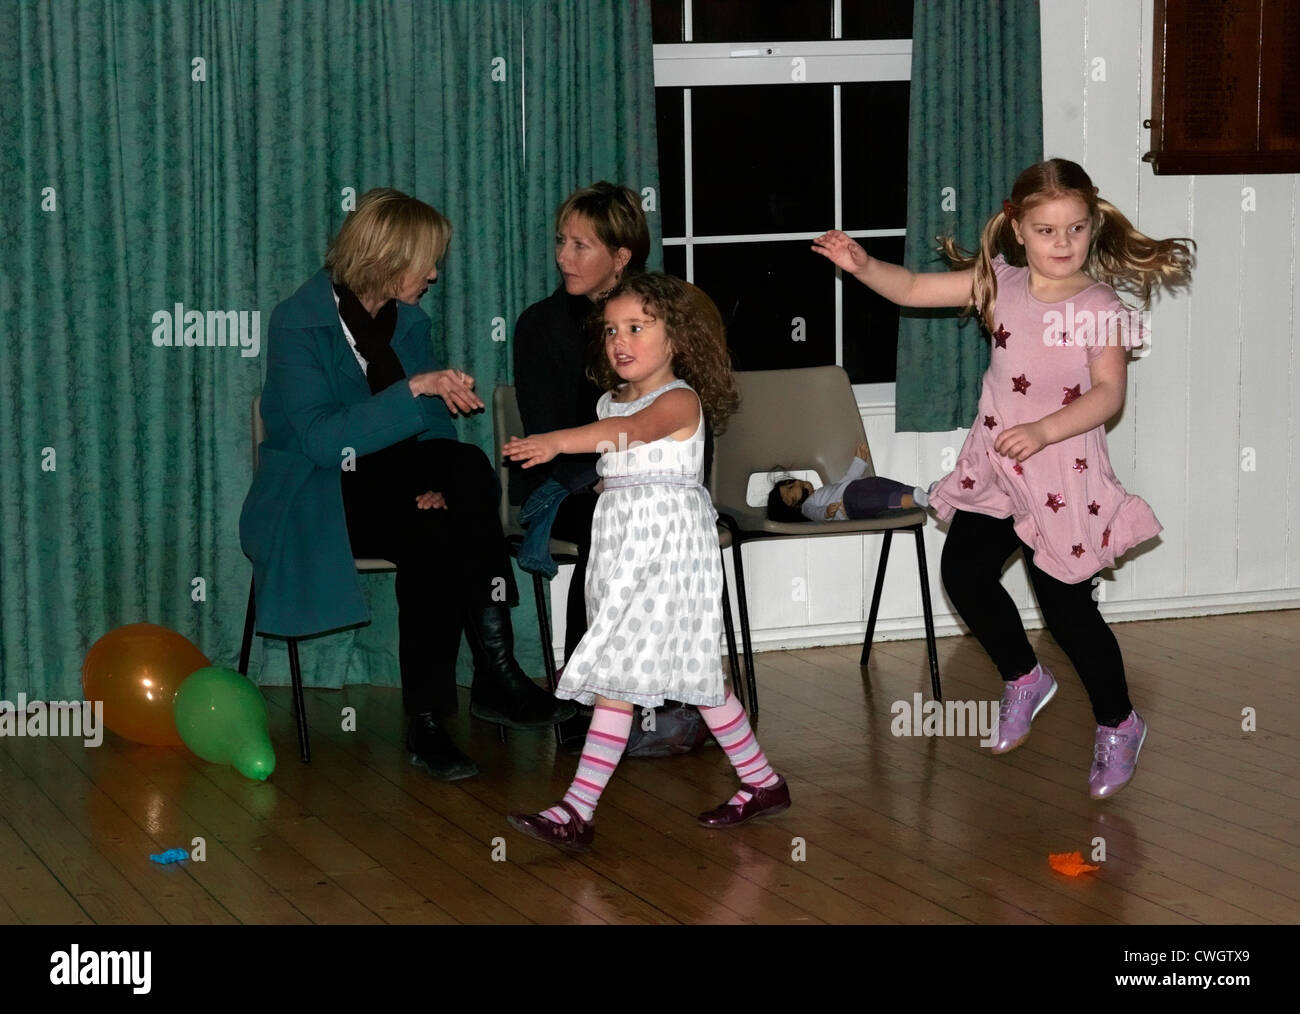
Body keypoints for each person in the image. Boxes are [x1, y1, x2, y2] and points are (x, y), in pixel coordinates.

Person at [813, 158, 1193, 798]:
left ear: (1093, 226)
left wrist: (1045, 430)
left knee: (1067, 612)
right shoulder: (999, 283)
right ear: (1018, 229)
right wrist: (862, 265)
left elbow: (1108, 396)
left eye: (1076, 229)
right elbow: (910, 289)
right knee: (962, 572)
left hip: (1061, 474)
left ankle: (1119, 723)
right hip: (997, 467)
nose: (1063, 244)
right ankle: (1023, 676)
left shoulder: (1097, 304)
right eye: (1047, 231)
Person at [239, 187, 573, 784]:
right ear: (389, 259)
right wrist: (413, 390)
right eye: (428, 261)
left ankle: (432, 716)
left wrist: (426, 475)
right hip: (320, 492)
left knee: (454, 489)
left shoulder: (408, 320)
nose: (435, 274)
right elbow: (320, 440)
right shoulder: (300, 319)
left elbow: (435, 425)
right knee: (450, 497)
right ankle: (493, 679)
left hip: (397, 486)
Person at [502, 273, 789, 851]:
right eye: (611, 329)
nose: (619, 339)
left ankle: (577, 810)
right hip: (622, 546)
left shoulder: (677, 399)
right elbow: (617, 440)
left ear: (677, 338)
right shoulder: (611, 399)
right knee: (699, 679)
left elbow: (631, 434)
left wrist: (558, 442)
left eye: (637, 327)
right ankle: (762, 782)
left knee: (620, 673)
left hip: (670, 550)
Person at [512, 182, 711, 756]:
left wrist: (628, 469)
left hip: (647, 477)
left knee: (641, 533)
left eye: (580, 245)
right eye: (561, 242)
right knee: (606, 531)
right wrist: (598, 473)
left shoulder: (660, 316)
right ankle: (590, 703)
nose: (562, 256)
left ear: (620, 257)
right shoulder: (540, 325)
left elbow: (686, 412)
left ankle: (667, 693)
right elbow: (550, 426)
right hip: (569, 479)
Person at [766, 443, 930, 522]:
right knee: (878, 500)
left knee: (883, 484)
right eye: (791, 492)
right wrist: (826, 512)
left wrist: (858, 462)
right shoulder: (807, 507)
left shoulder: (822, 492)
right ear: (793, 506)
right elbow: (815, 514)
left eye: (790, 483)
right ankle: (913, 500)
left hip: (856, 488)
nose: (794, 484)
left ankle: (926, 497)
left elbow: (844, 482)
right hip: (850, 505)